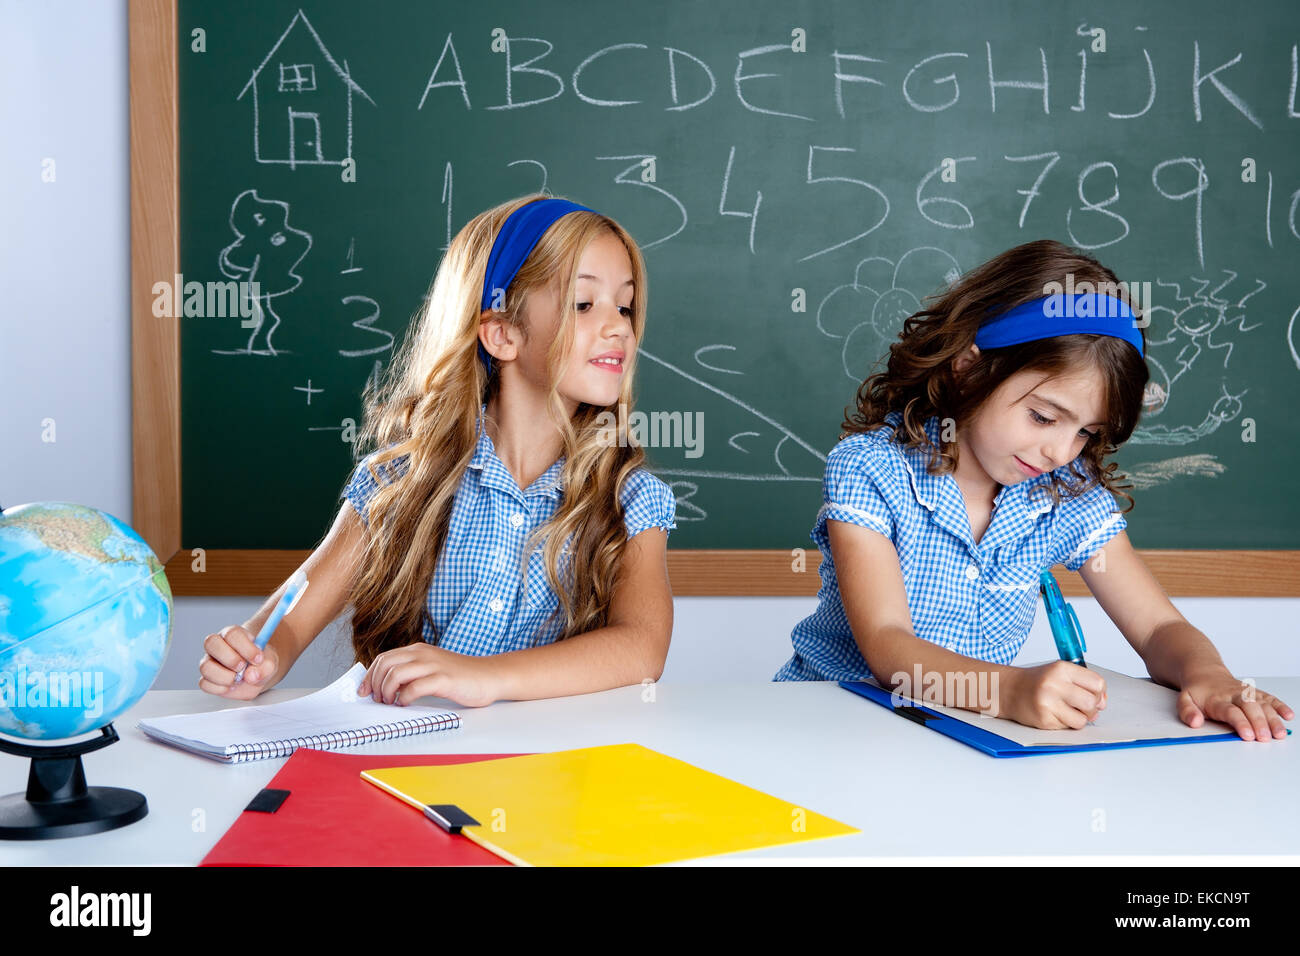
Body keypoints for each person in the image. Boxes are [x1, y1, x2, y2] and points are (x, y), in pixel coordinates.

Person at [775, 239, 1292, 741]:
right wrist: (1010, 689)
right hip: (829, 728)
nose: (1061, 452)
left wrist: (1209, 674)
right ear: (970, 366)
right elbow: (890, 648)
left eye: (1086, 432)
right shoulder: (873, 469)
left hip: (957, 739)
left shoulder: (1067, 492)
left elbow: (1157, 627)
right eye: (1043, 417)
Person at [199, 196, 676, 707]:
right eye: (585, 304)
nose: (620, 326)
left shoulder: (629, 499)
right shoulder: (398, 481)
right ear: (503, 333)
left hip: (554, 770)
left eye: (624, 306)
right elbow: (286, 625)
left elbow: (641, 648)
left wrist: (485, 677)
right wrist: (260, 657)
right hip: (408, 764)